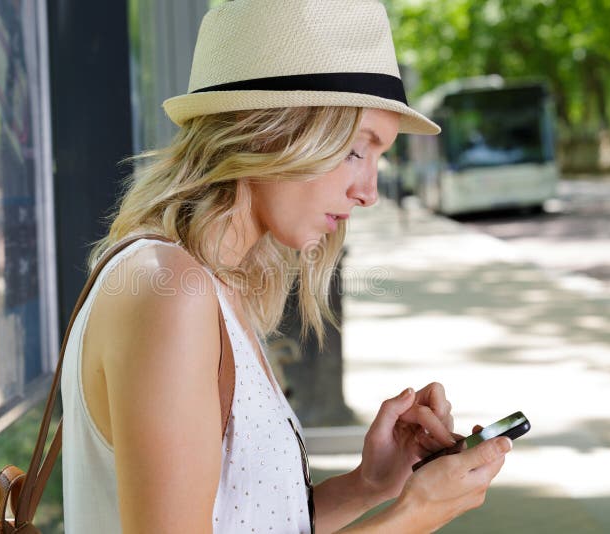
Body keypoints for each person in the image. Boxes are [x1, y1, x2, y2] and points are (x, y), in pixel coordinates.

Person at [60, 1, 512, 532]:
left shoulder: (208, 286)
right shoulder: (170, 293)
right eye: (354, 151)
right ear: (268, 130)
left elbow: (248, 519)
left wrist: (369, 484)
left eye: (379, 157)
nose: (368, 193)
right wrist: (413, 516)